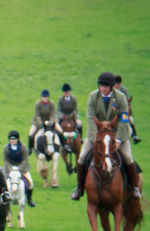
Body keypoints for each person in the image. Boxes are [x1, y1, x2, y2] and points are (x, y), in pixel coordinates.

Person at [71, 72, 141, 200]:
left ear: (111, 86)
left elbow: (124, 120)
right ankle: (79, 188)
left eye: (105, 86)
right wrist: (95, 136)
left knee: (127, 157)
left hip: (118, 135)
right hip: (97, 135)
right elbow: (90, 118)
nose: (102, 88)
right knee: (81, 158)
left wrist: (118, 139)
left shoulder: (121, 98)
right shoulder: (92, 96)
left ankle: (134, 187)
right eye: (100, 86)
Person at [3, 130, 36, 208]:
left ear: (17, 139)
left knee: (31, 183)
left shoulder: (23, 147)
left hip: (22, 168)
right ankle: (3, 198)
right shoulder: (6, 148)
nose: (12, 141)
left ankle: (29, 199)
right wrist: (10, 168)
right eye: (11, 139)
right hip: (9, 168)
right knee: (2, 182)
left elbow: (25, 159)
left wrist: (19, 168)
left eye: (14, 139)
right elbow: (5, 160)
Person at [28, 89, 57, 153]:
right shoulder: (37, 104)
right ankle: (29, 148)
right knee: (31, 134)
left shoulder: (52, 104)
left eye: (46, 97)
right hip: (38, 123)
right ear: (41, 97)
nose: (45, 98)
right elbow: (37, 115)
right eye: (44, 97)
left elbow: (53, 115)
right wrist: (40, 123)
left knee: (60, 131)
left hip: (49, 122)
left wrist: (51, 123)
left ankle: (62, 146)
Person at [114, 75, 140, 144]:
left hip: (123, 111)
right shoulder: (111, 90)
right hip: (113, 111)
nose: (117, 86)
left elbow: (127, 102)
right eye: (116, 84)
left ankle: (134, 136)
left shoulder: (123, 90)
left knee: (130, 119)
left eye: (118, 84)